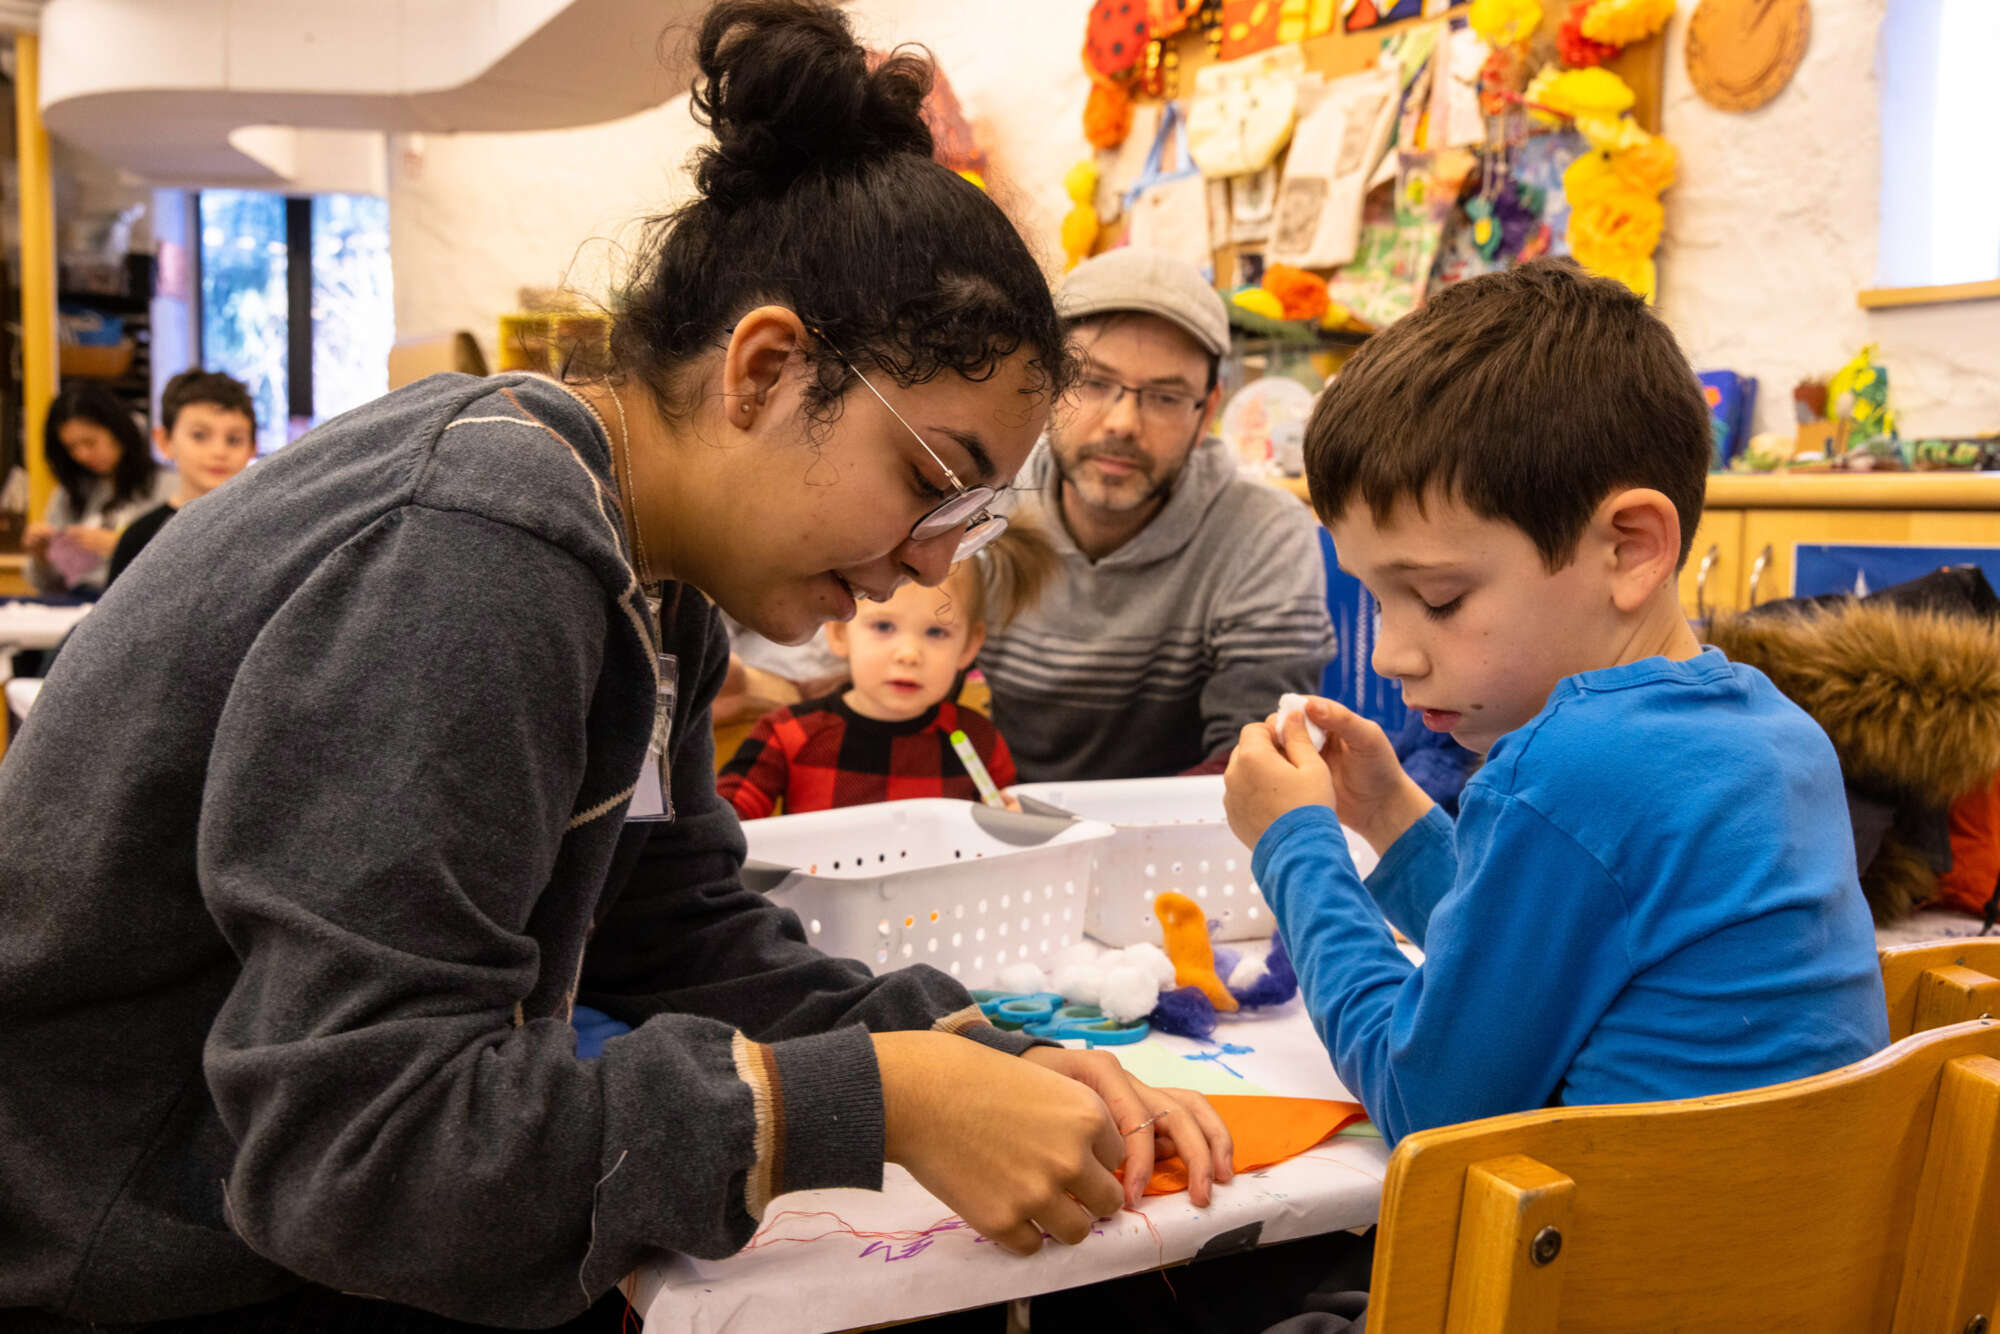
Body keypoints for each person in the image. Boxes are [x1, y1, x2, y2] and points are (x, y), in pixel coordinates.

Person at [0, 5, 1232, 1330]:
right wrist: (871, 1100)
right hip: (126, 1268)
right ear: (766, 369)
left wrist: (958, 1045)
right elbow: (355, 1146)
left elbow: (669, 924)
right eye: (933, 480)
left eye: (972, 523)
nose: (931, 565)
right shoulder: (477, 551)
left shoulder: (653, 582)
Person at [1223, 260, 1889, 1152]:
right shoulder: (1776, 729)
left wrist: (1295, 847)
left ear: (1630, 549)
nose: (1388, 655)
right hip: (1797, 1237)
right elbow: (1539, 950)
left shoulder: (1573, 764)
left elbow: (1423, 1103)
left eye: (1439, 597)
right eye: (1378, 600)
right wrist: (1388, 813)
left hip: (1624, 1242)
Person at [977, 247, 1334, 782]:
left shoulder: (1262, 533)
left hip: (1183, 824)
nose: (1122, 422)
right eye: (1093, 382)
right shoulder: (982, 507)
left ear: (1206, 412)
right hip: (999, 814)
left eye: (1165, 397)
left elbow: (1258, 759)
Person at [718, 525, 1052, 818]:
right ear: (839, 633)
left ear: (968, 646)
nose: (909, 654)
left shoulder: (979, 741)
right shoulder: (786, 734)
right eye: (884, 626)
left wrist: (1013, 820)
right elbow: (722, 822)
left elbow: (1004, 829)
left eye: (936, 632)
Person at [104, 369, 258, 587]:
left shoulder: (266, 531)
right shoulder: (140, 538)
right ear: (165, 441)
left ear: (253, 448)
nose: (219, 452)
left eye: (234, 440)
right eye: (199, 436)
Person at [23, 384, 168, 596]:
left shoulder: (167, 486)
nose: (82, 455)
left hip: (137, 600)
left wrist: (123, 547)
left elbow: (179, 570)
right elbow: (46, 585)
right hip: (75, 602)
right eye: (71, 447)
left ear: (118, 431)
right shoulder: (70, 493)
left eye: (90, 442)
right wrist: (41, 556)